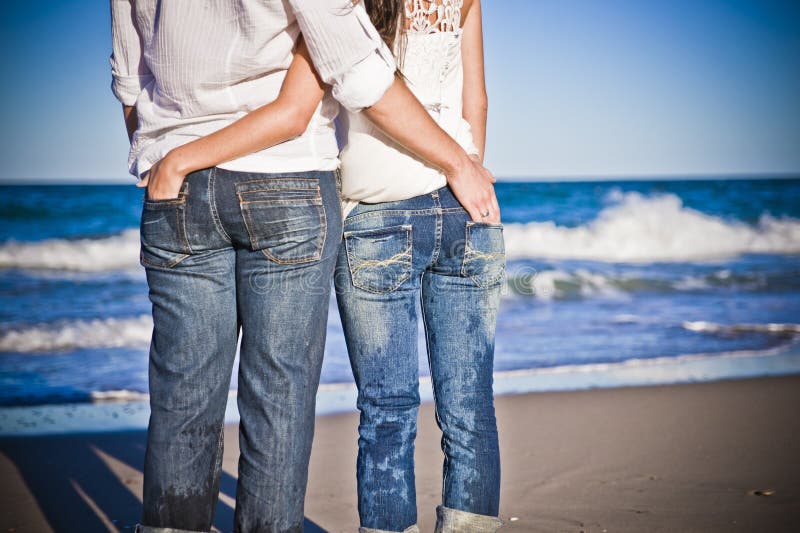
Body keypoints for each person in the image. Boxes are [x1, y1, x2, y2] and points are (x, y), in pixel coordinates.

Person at [109, 1, 498, 532]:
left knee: (188, 400)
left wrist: (173, 158)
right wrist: (463, 164)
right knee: (287, 401)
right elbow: (440, 91)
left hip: (223, 192)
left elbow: (131, 85)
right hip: (330, 183)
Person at [334, 1, 504, 531]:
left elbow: (365, 92)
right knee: (470, 407)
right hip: (465, 206)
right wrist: (468, 169)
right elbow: (475, 99)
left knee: (387, 411)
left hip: (377, 209)